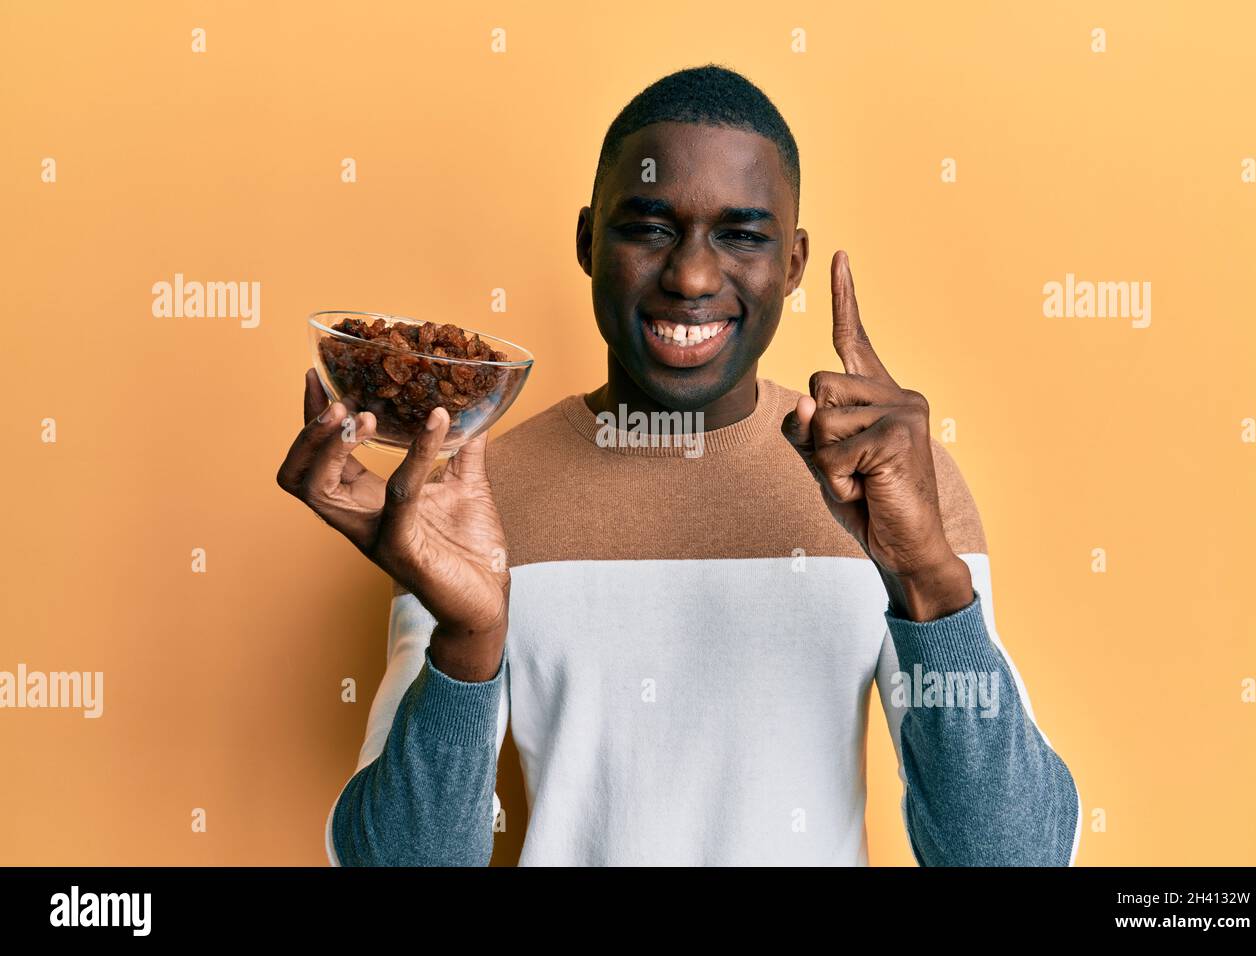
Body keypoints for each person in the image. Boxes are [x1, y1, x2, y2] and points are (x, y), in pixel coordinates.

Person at [276, 64, 1081, 866]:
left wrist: (928, 580)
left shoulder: (893, 483)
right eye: (650, 227)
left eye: (741, 234)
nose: (692, 277)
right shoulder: (474, 495)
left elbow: (1015, 855)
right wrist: (468, 636)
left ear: (793, 263)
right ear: (589, 240)